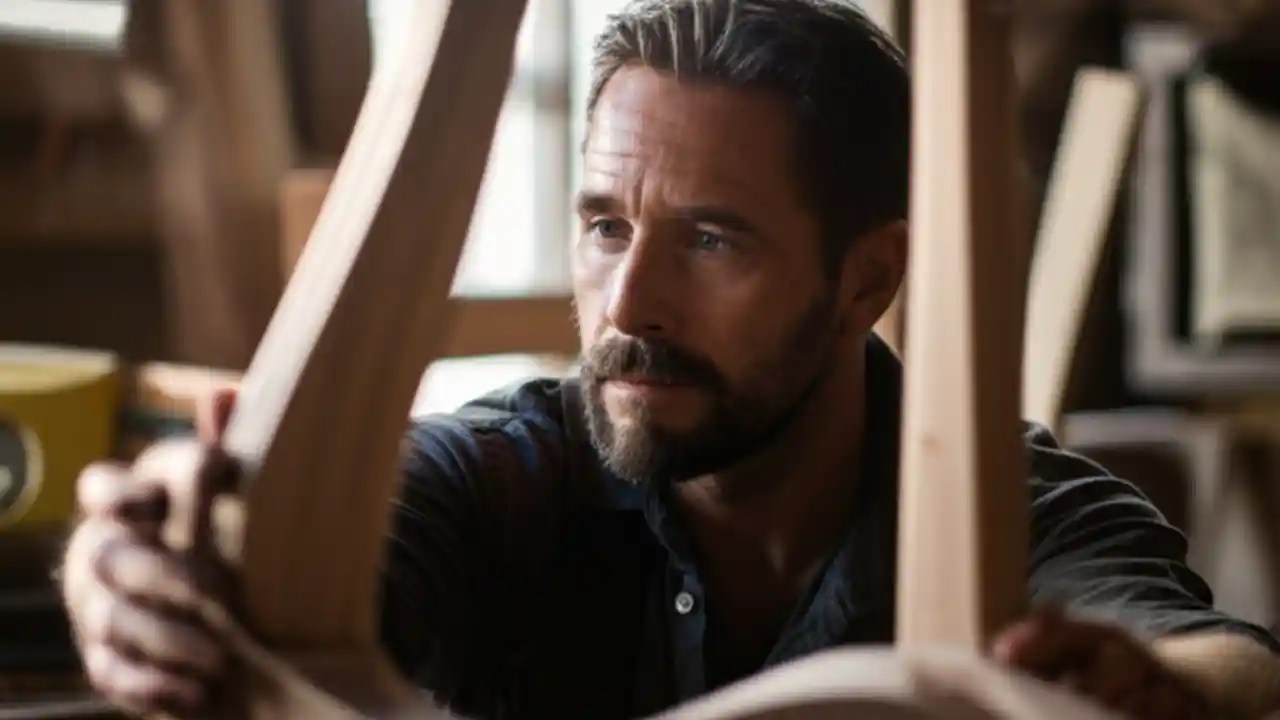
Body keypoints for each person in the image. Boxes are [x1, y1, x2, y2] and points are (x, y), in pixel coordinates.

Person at [59, 1, 1280, 718]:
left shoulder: (1000, 499)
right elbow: (301, 546)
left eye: (709, 238)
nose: (628, 304)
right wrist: (152, 564)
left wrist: (1156, 692)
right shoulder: (509, 473)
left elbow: (1223, 660)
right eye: (604, 227)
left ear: (866, 278)